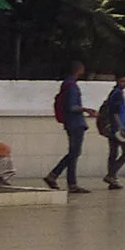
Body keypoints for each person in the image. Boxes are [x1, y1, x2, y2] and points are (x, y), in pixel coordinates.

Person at [44, 62, 89, 194]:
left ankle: (60, 178)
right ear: (79, 70)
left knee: (73, 153)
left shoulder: (66, 84)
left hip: (70, 123)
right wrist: (86, 110)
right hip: (75, 123)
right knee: (74, 153)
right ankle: (62, 179)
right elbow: (72, 106)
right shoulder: (72, 87)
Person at [95, 75, 125, 189]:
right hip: (118, 128)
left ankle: (112, 180)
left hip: (112, 128)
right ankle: (111, 174)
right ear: (117, 81)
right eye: (122, 81)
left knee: (113, 153)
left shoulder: (114, 93)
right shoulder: (117, 94)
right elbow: (115, 113)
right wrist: (121, 127)